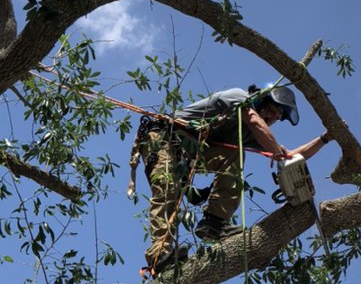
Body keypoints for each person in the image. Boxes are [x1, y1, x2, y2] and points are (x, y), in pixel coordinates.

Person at [138, 84, 333, 270]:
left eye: (278, 116)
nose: (273, 118)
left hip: (191, 154)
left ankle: (214, 222)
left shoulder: (250, 135)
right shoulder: (238, 96)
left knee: (235, 154)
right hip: (165, 138)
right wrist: (277, 152)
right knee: (167, 190)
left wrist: (325, 138)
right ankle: (159, 256)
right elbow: (255, 121)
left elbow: (291, 157)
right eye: (273, 110)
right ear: (262, 102)